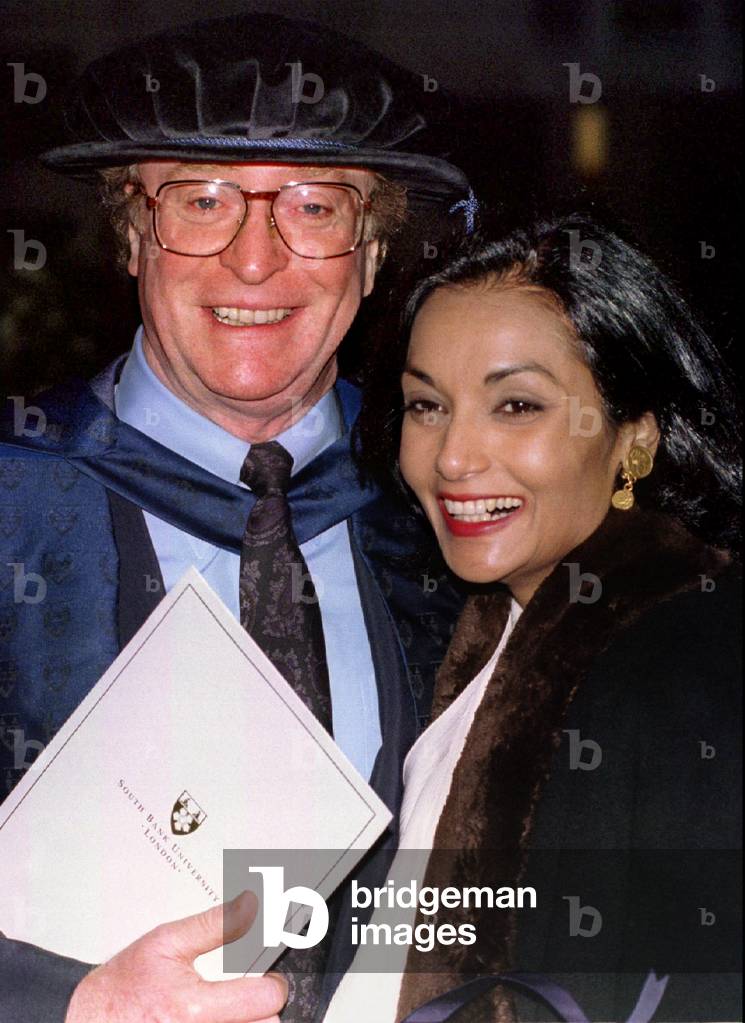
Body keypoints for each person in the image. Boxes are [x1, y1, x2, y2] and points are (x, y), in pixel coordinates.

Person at [0, 13, 473, 1023]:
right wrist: (57, 1001)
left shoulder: (450, 511)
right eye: (201, 201)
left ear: (372, 250)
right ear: (132, 234)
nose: (254, 260)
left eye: (314, 206)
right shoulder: (14, 499)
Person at [327, 214, 741, 1022]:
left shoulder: (694, 662)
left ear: (635, 439)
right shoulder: (473, 640)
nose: (453, 456)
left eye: (515, 405)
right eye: (426, 405)